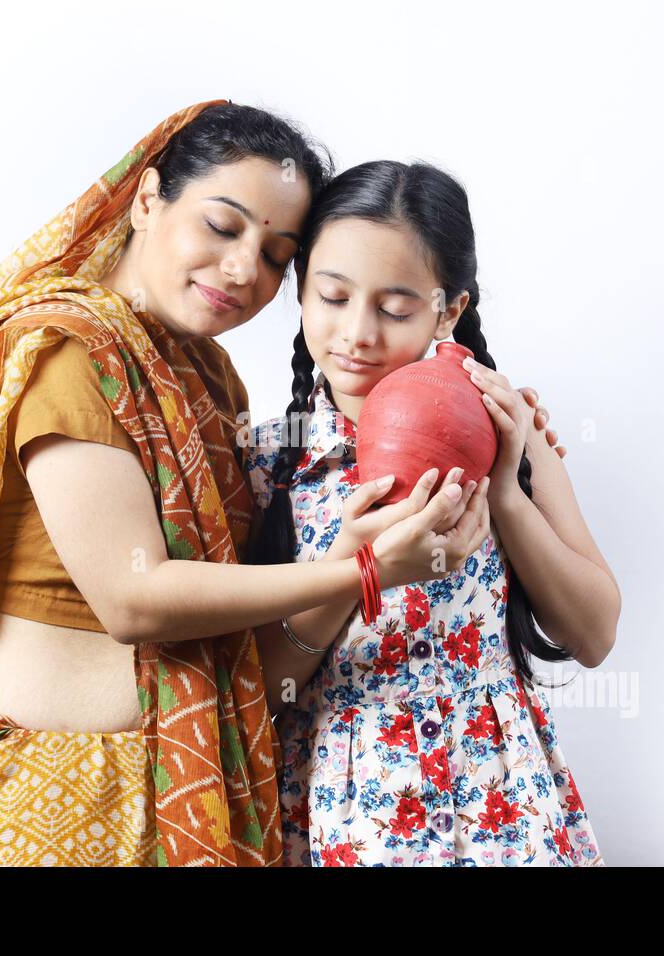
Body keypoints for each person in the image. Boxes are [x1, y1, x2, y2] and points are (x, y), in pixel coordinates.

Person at [0, 101, 538, 866]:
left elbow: (244, 590)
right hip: (44, 787)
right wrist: (355, 571)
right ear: (149, 197)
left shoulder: (208, 379)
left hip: (172, 782)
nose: (240, 271)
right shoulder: (65, 351)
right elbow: (135, 600)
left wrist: (485, 436)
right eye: (223, 228)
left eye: (272, 254)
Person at [245, 160, 619, 865]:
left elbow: (594, 636)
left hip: (498, 811)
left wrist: (507, 491)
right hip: (342, 810)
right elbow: (267, 689)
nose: (356, 333)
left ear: (448, 311)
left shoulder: (510, 427)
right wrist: (357, 570)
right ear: (301, 291)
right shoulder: (271, 464)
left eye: (394, 308)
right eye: (331, 296)